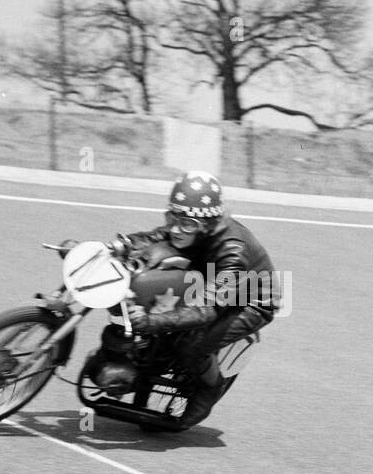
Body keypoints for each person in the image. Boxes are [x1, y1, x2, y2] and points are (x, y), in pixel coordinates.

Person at [112, 171, 280, 428]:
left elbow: (207, 311)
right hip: (208, 277)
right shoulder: (187, 225)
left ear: (207, 224)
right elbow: (152, 238)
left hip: (250, 300)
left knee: (192, 346)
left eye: (187, 223)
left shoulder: (233, 252)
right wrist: (115, 247)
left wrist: (150, 321)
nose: (176, 229)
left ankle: (208, 391)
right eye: (172, 217)